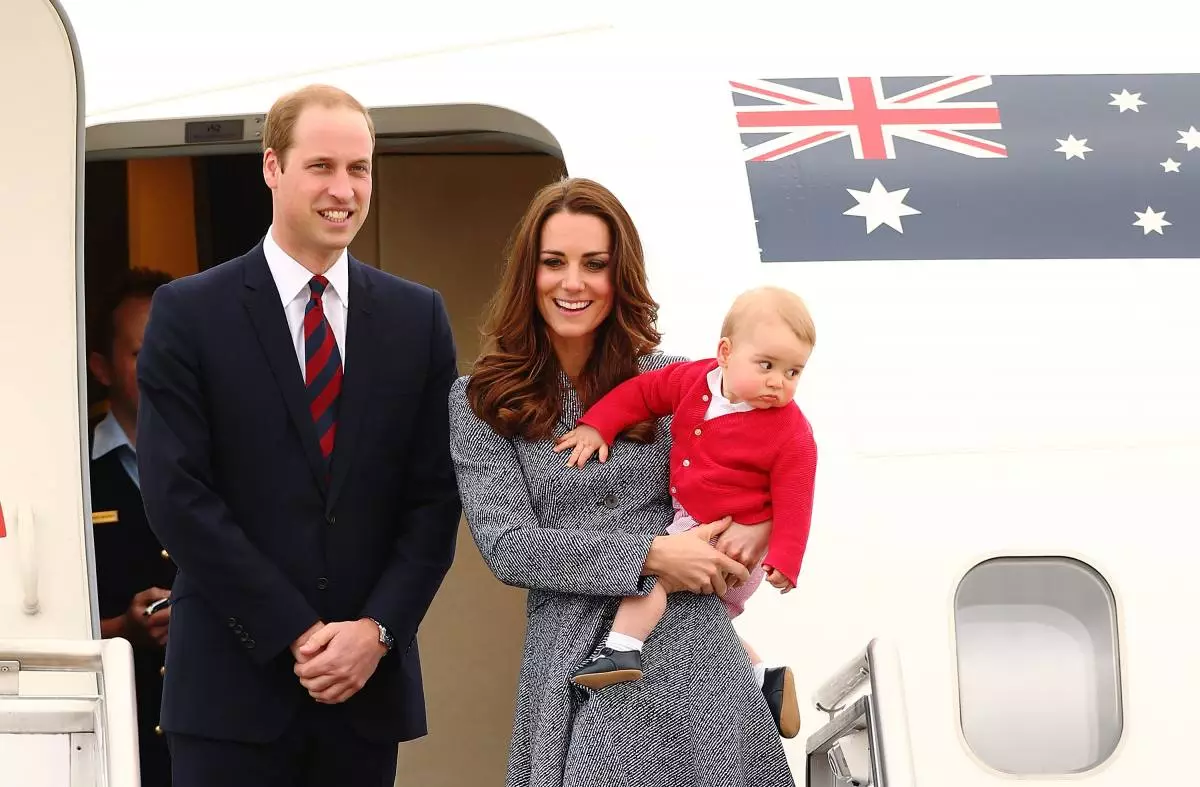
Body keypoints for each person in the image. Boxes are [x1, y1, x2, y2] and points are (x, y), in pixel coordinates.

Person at [136, 84, 462, 787]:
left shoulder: (418, 319)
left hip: (362, 697)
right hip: (228, 696)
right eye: (321, 166)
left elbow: (436, 500)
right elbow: (176, 496)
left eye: (359, 168)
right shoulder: (189, 313)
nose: (343, 189)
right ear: (271, 167)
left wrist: (375, 633)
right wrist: (299, 631)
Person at [448, 177, 796, 787]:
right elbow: (507, 543)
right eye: (554, 263)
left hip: (696, 650)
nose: (573, 283)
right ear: (529, 273)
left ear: (621, 276)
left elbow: (764, 463)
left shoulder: (675, 380)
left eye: (595, 265)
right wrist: (651, 554)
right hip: (576, 657)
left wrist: (756, 532)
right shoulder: (484, 399)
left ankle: (759, 674)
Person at [554, 285, 817, 739]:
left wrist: (785, 560)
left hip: (726, 540)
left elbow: (797, 496)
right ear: (726, 353)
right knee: (703, 622)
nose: (779, 382)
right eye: (767, 366)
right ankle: (762, 681)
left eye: (793, 371)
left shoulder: (790, 431)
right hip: (698, 523)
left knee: (652, 573)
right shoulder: (692, 380)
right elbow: (641, 393)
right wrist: (598, 424)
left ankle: (622, 648)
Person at [87, 265, 176, 787]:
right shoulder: (68, 475)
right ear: (101, 367)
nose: (163, 370)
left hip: (215, 730)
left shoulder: (229, 464)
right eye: (143, 355)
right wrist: (123, 629)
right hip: (108, 734)